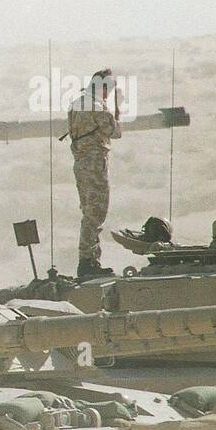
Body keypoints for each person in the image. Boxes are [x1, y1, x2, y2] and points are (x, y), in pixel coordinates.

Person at [66, 69, 122, 280]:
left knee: (89, 213)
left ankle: (88, 261)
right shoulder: (97, 107)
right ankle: (88, 262)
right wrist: (118, 109)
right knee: (96, 213)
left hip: (81, 163)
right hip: (95, 164)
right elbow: (115, 131)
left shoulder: (77, 103)